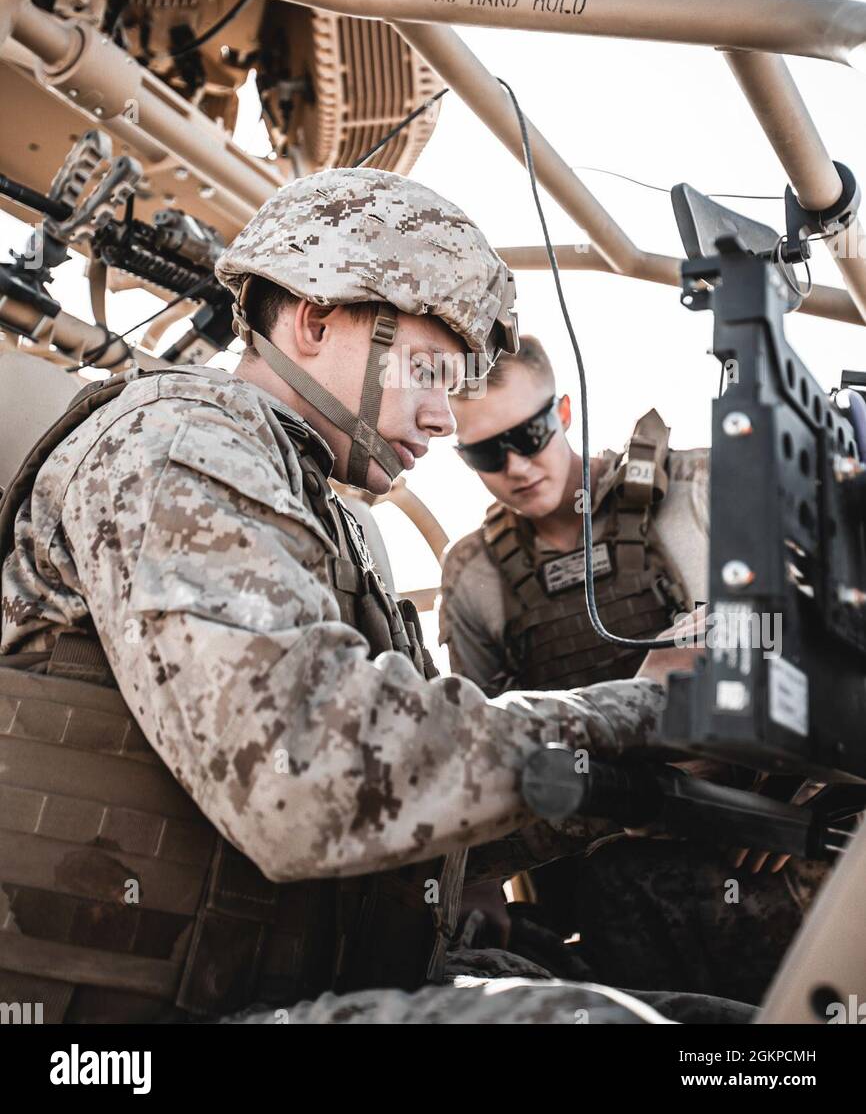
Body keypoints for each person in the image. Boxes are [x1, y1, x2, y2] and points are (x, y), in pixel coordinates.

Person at [0, 168, 749, 1025]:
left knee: (747, 1041)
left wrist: (646, 760)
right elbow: (305, 772)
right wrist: (643, 710)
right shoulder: (178, 442)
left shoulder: (328, 515)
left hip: (283, 987)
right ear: (316, 319)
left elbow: (410, 807)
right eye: (431, 370)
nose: (442, 418)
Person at [438, 336, 828, 1005]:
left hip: (768, 840)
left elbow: (833, 637)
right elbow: (484, 753)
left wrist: (802, 796)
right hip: (611, 863)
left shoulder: (699, 493)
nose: (517, 466)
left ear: (562, 409)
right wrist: (470, 882)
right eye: (485, 452)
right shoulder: (475, 578)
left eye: (530, 434)